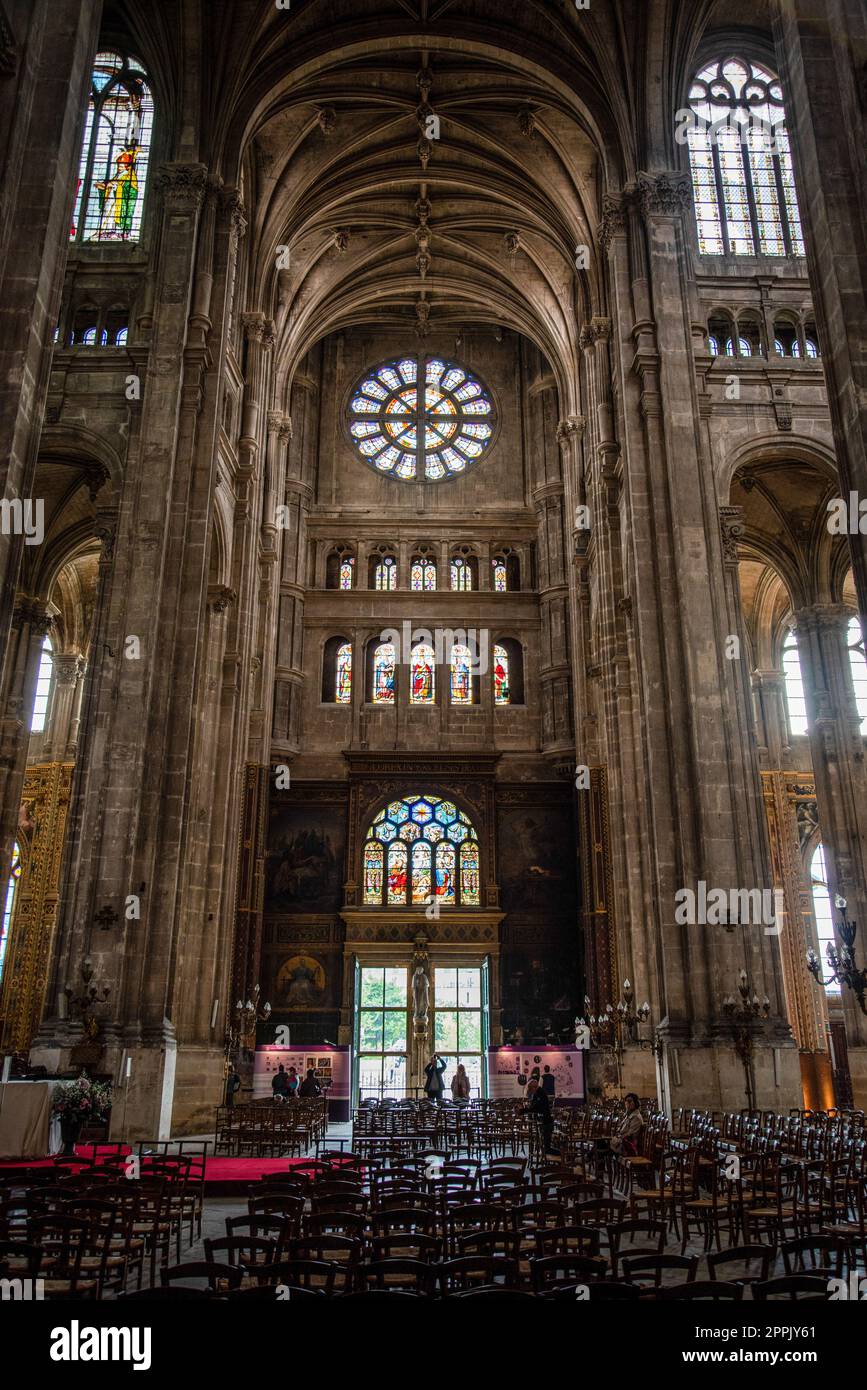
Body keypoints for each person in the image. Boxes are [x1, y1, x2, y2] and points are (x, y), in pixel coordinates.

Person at [527, 1076, 555, 1155]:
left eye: (531, 1088)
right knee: (545, 1147)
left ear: (534, 1087)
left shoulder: (540, 1093)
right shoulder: (537, 1093)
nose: (531, 1090)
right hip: (544, 1121)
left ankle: (563, 1156)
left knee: (547, 1148)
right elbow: (533, 1106)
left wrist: (526, 1109)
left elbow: (535, 1107)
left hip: (547, 1122)